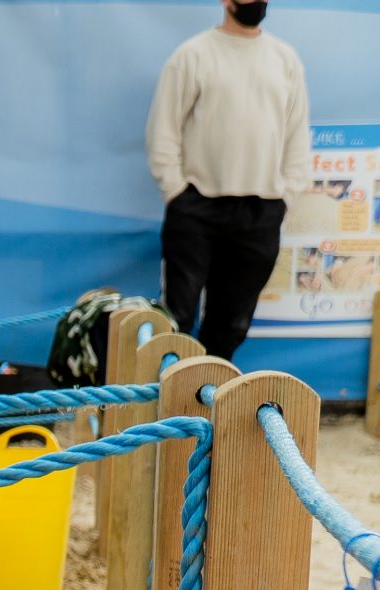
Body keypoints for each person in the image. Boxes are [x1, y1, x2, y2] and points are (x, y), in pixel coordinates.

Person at [145, 0, 310, 360]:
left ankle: (211, 392)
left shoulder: (285, 59)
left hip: (261, 211)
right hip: (197, 207)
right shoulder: (192, 56)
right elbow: (163, 130)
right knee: (177, 318)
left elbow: (297, 134)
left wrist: (286, 196)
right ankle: (168, 393)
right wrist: (176, 192)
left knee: (232, 324)